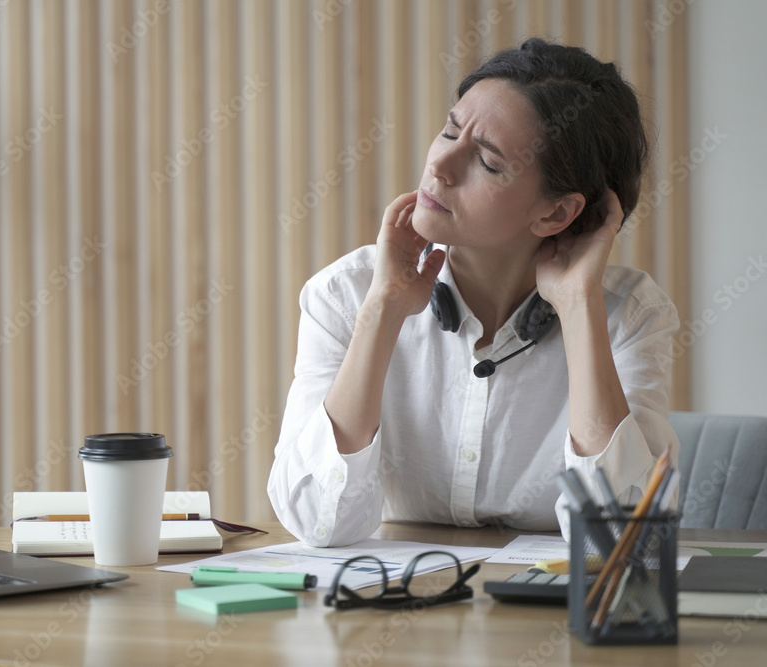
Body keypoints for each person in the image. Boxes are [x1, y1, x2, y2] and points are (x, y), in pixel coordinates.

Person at [267, 38, 680, 547]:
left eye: (486, 162)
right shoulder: (345, 294)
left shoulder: (630, 315)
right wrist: (383, 310)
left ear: (554, 214)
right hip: (393, 607)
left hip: (544, 622)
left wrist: (577, 308)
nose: (440, 167)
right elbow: (318, 524)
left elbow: (621, 541)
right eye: (449, 132)